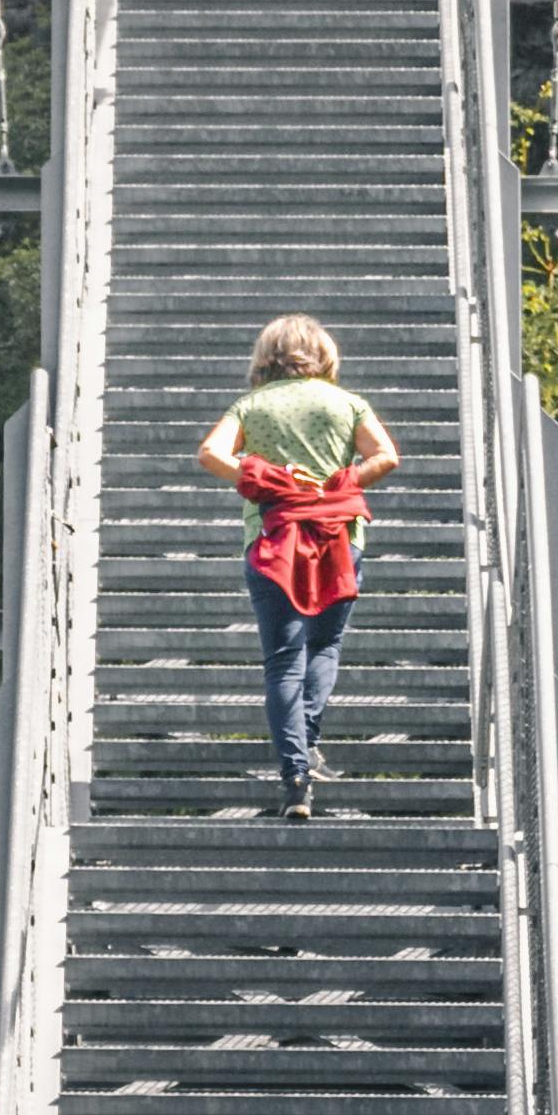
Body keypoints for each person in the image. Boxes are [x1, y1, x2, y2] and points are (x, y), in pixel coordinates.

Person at [195, 315, 401, 820]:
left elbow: (210, 453)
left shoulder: (251, 405)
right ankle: (306, 741)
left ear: (266, 357)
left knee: (282, 660)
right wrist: (342, 483)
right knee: (324, 645)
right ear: (323, 355)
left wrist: (262, 479)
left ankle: (295, 778)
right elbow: (387, 456)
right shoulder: (348, 403)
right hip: (339, 538)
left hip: (273, 541)